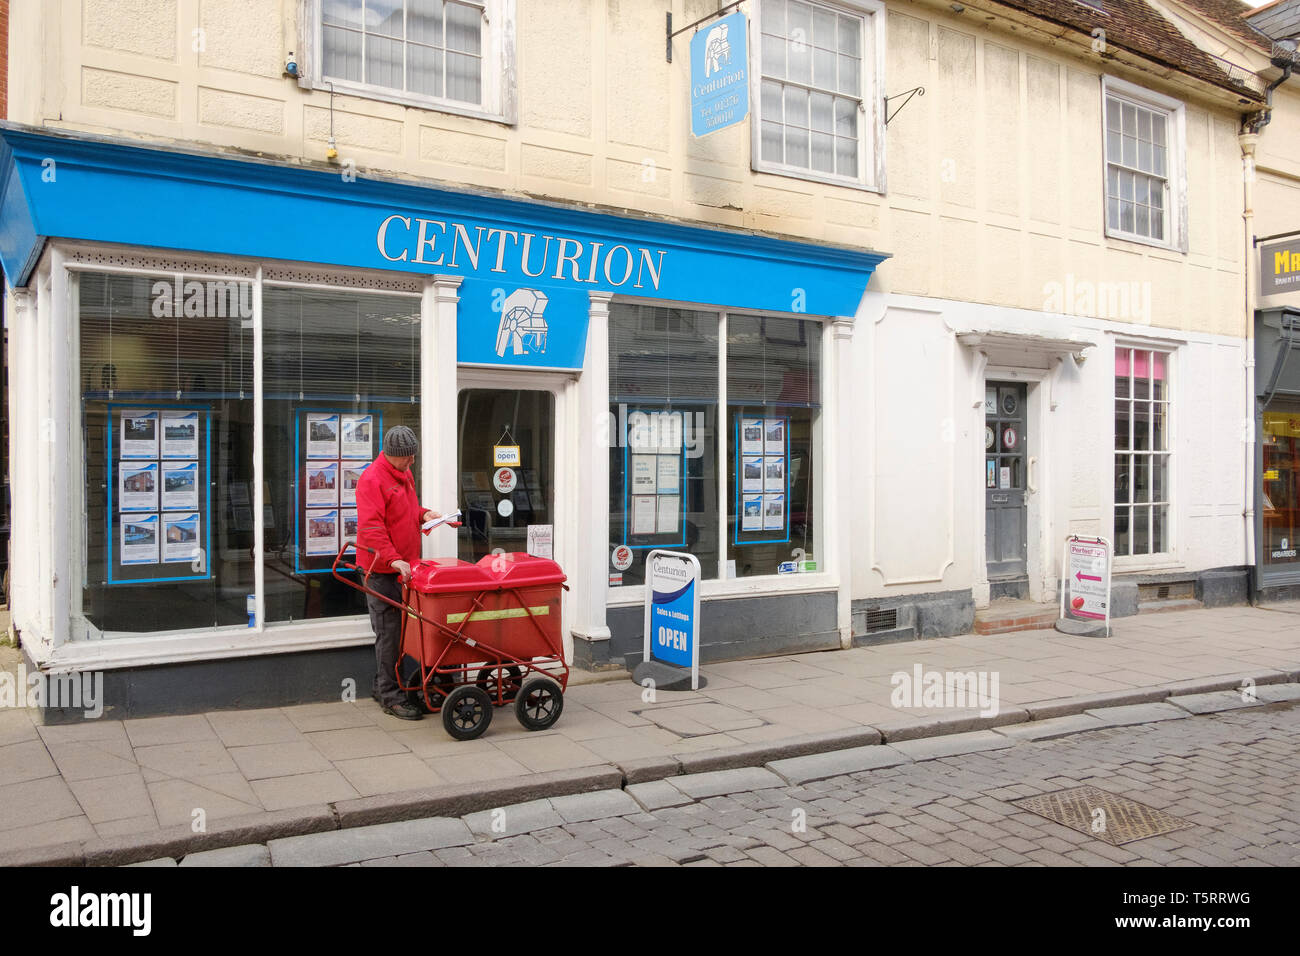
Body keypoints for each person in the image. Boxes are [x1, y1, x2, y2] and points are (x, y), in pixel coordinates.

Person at [355, 425, 439, 720]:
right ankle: (389, 695)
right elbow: (371, 527)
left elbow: (405, 510)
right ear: (394, 456)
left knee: (404, 631)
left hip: (404, 568)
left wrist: (423, 513)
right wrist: (392, 559)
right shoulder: (371, 480)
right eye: (409, 457)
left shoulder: (403, 474)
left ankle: (388, 685)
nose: (413, 462)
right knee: (388, 634)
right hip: (382, 572)